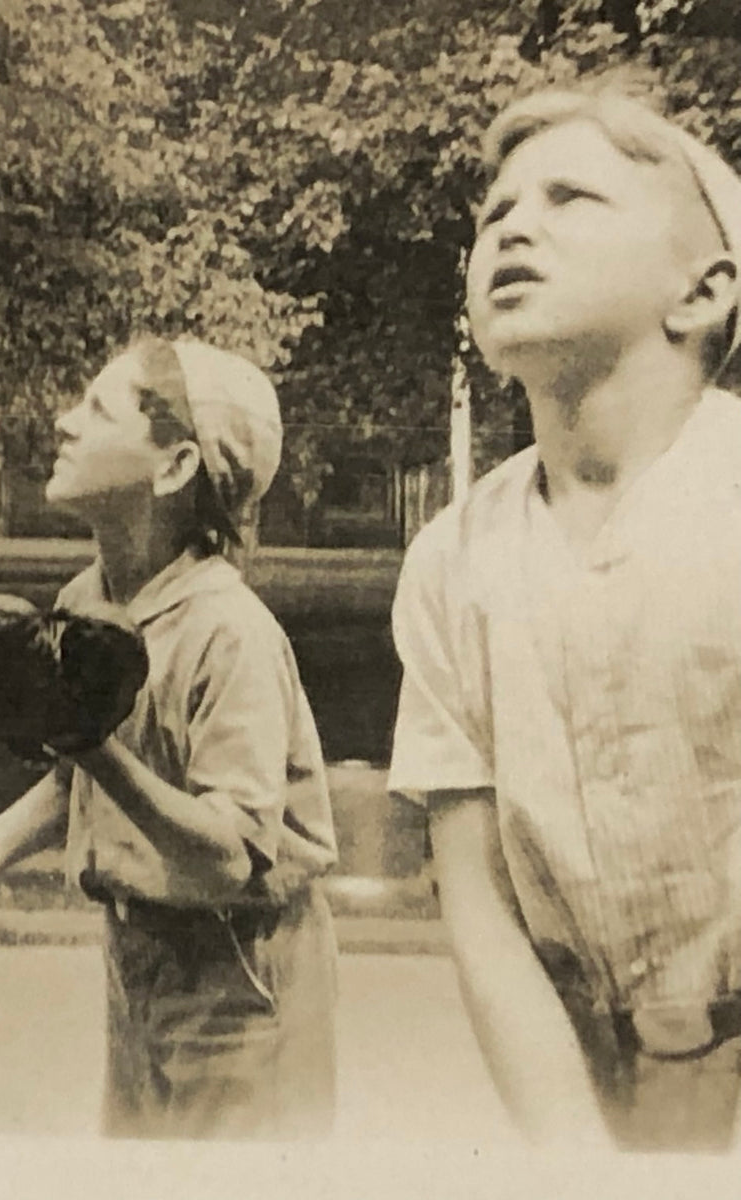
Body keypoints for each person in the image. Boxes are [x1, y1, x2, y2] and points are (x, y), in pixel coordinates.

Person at [388, 85, 741, 1153]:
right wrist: (575, 1156)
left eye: (571, 196)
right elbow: (481, 903)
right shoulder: (454, 560)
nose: (513, 226)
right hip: (585, 1096)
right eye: (494, 213)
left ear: (701, 293)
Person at [0, 335, 341, 1140]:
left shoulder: (230, 633)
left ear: (173, 467)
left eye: (97, 409)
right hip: (138, 960)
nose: (62, 422)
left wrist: (92, 743)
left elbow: (231, 852)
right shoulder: (90, 599)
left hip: (241, 980)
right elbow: (79, 777)